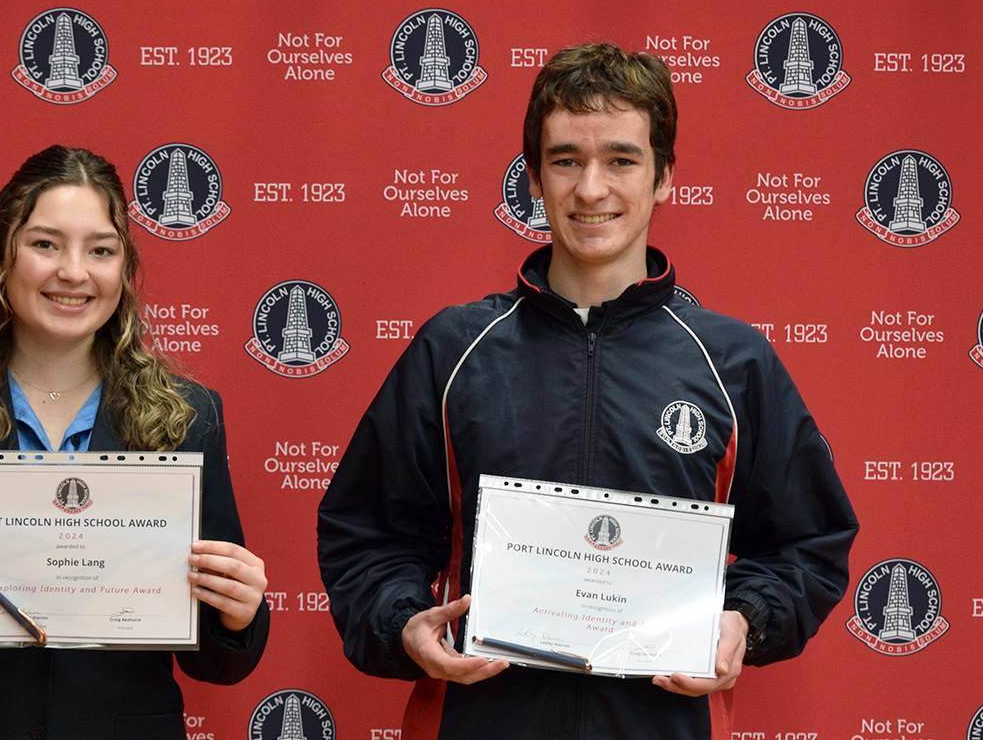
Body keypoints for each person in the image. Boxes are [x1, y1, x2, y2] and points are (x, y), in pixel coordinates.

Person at [316, 43, 858, 739]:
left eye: (622, 161)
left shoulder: (734, 362)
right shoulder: (453, 350)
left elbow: (808, 545)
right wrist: (402, 626)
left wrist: (743, 621)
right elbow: (367, 534)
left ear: (664, 178)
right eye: (566, 160)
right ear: (535, 179)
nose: (592, 189)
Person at [0, 146, 269, 739]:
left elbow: (219, 663)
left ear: (124, 269)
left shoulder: (189, 418)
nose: (74, 271)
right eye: (45, 244)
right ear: (1, 256)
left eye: (101, 250)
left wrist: (236, 614)